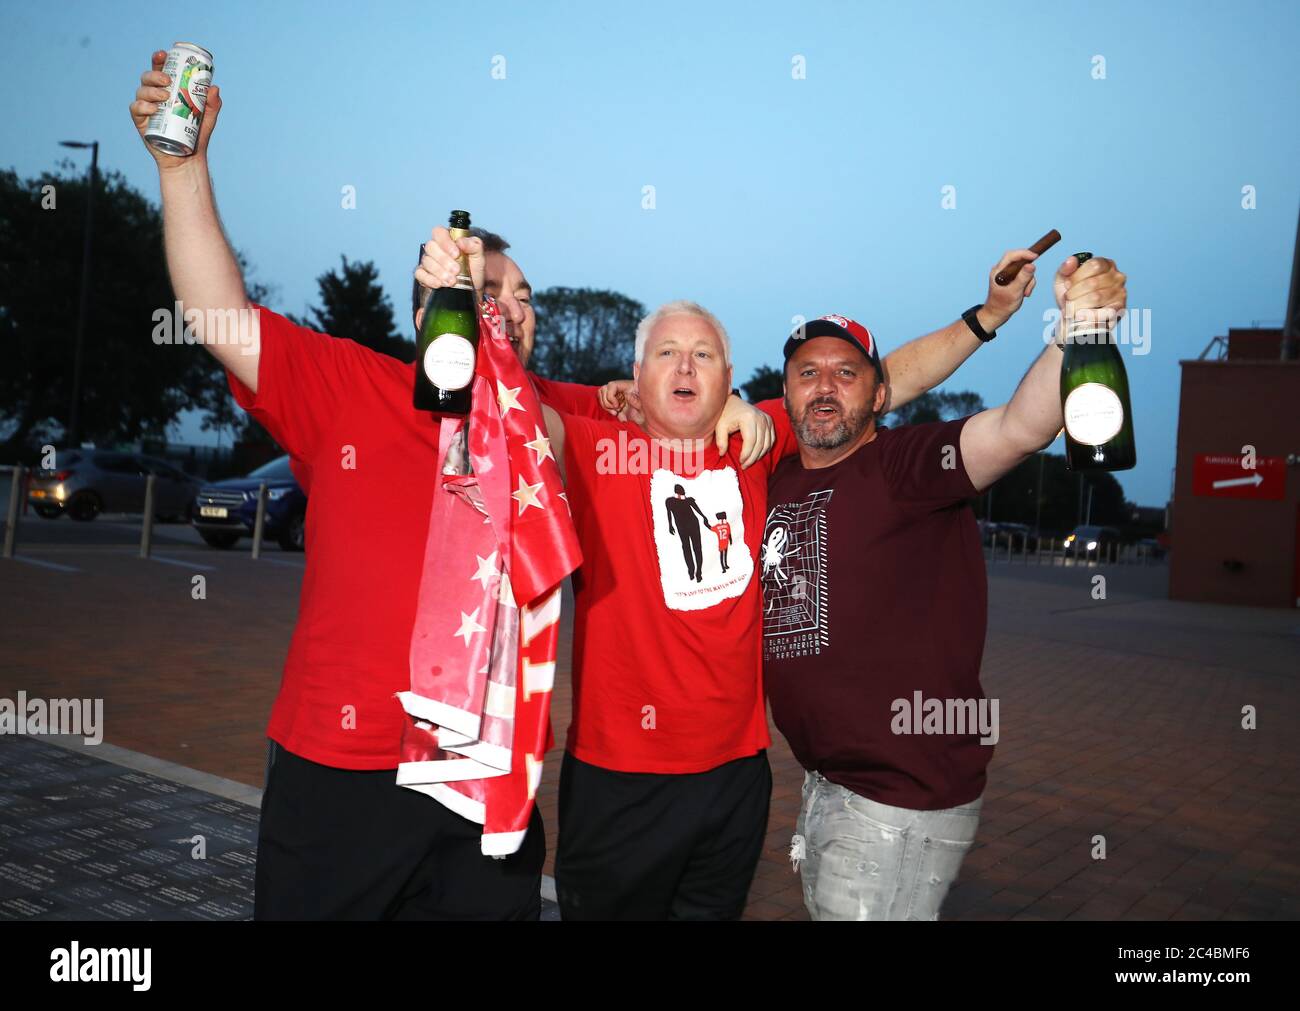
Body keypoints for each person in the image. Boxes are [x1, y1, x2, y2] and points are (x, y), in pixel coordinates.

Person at [128, 50, 768, 920]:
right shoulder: (351, 386)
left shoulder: (549, 415)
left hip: (492, 783)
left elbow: (671, 404)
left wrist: (737, 403)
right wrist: (183, 167)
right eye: (482, 291)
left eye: (525, 297)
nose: (509, 305)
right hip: (348, 770)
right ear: (428, 309)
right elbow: (215, 315)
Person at [762, 252, 1128, 920]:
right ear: (784, 393)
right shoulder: (776, 478)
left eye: (847, 374)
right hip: (828, 784)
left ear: (879, 394)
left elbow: (1021, 426)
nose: (824, 387)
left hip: (901, 797)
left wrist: (1074, 333)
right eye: (807, 372)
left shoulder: (905, 464)